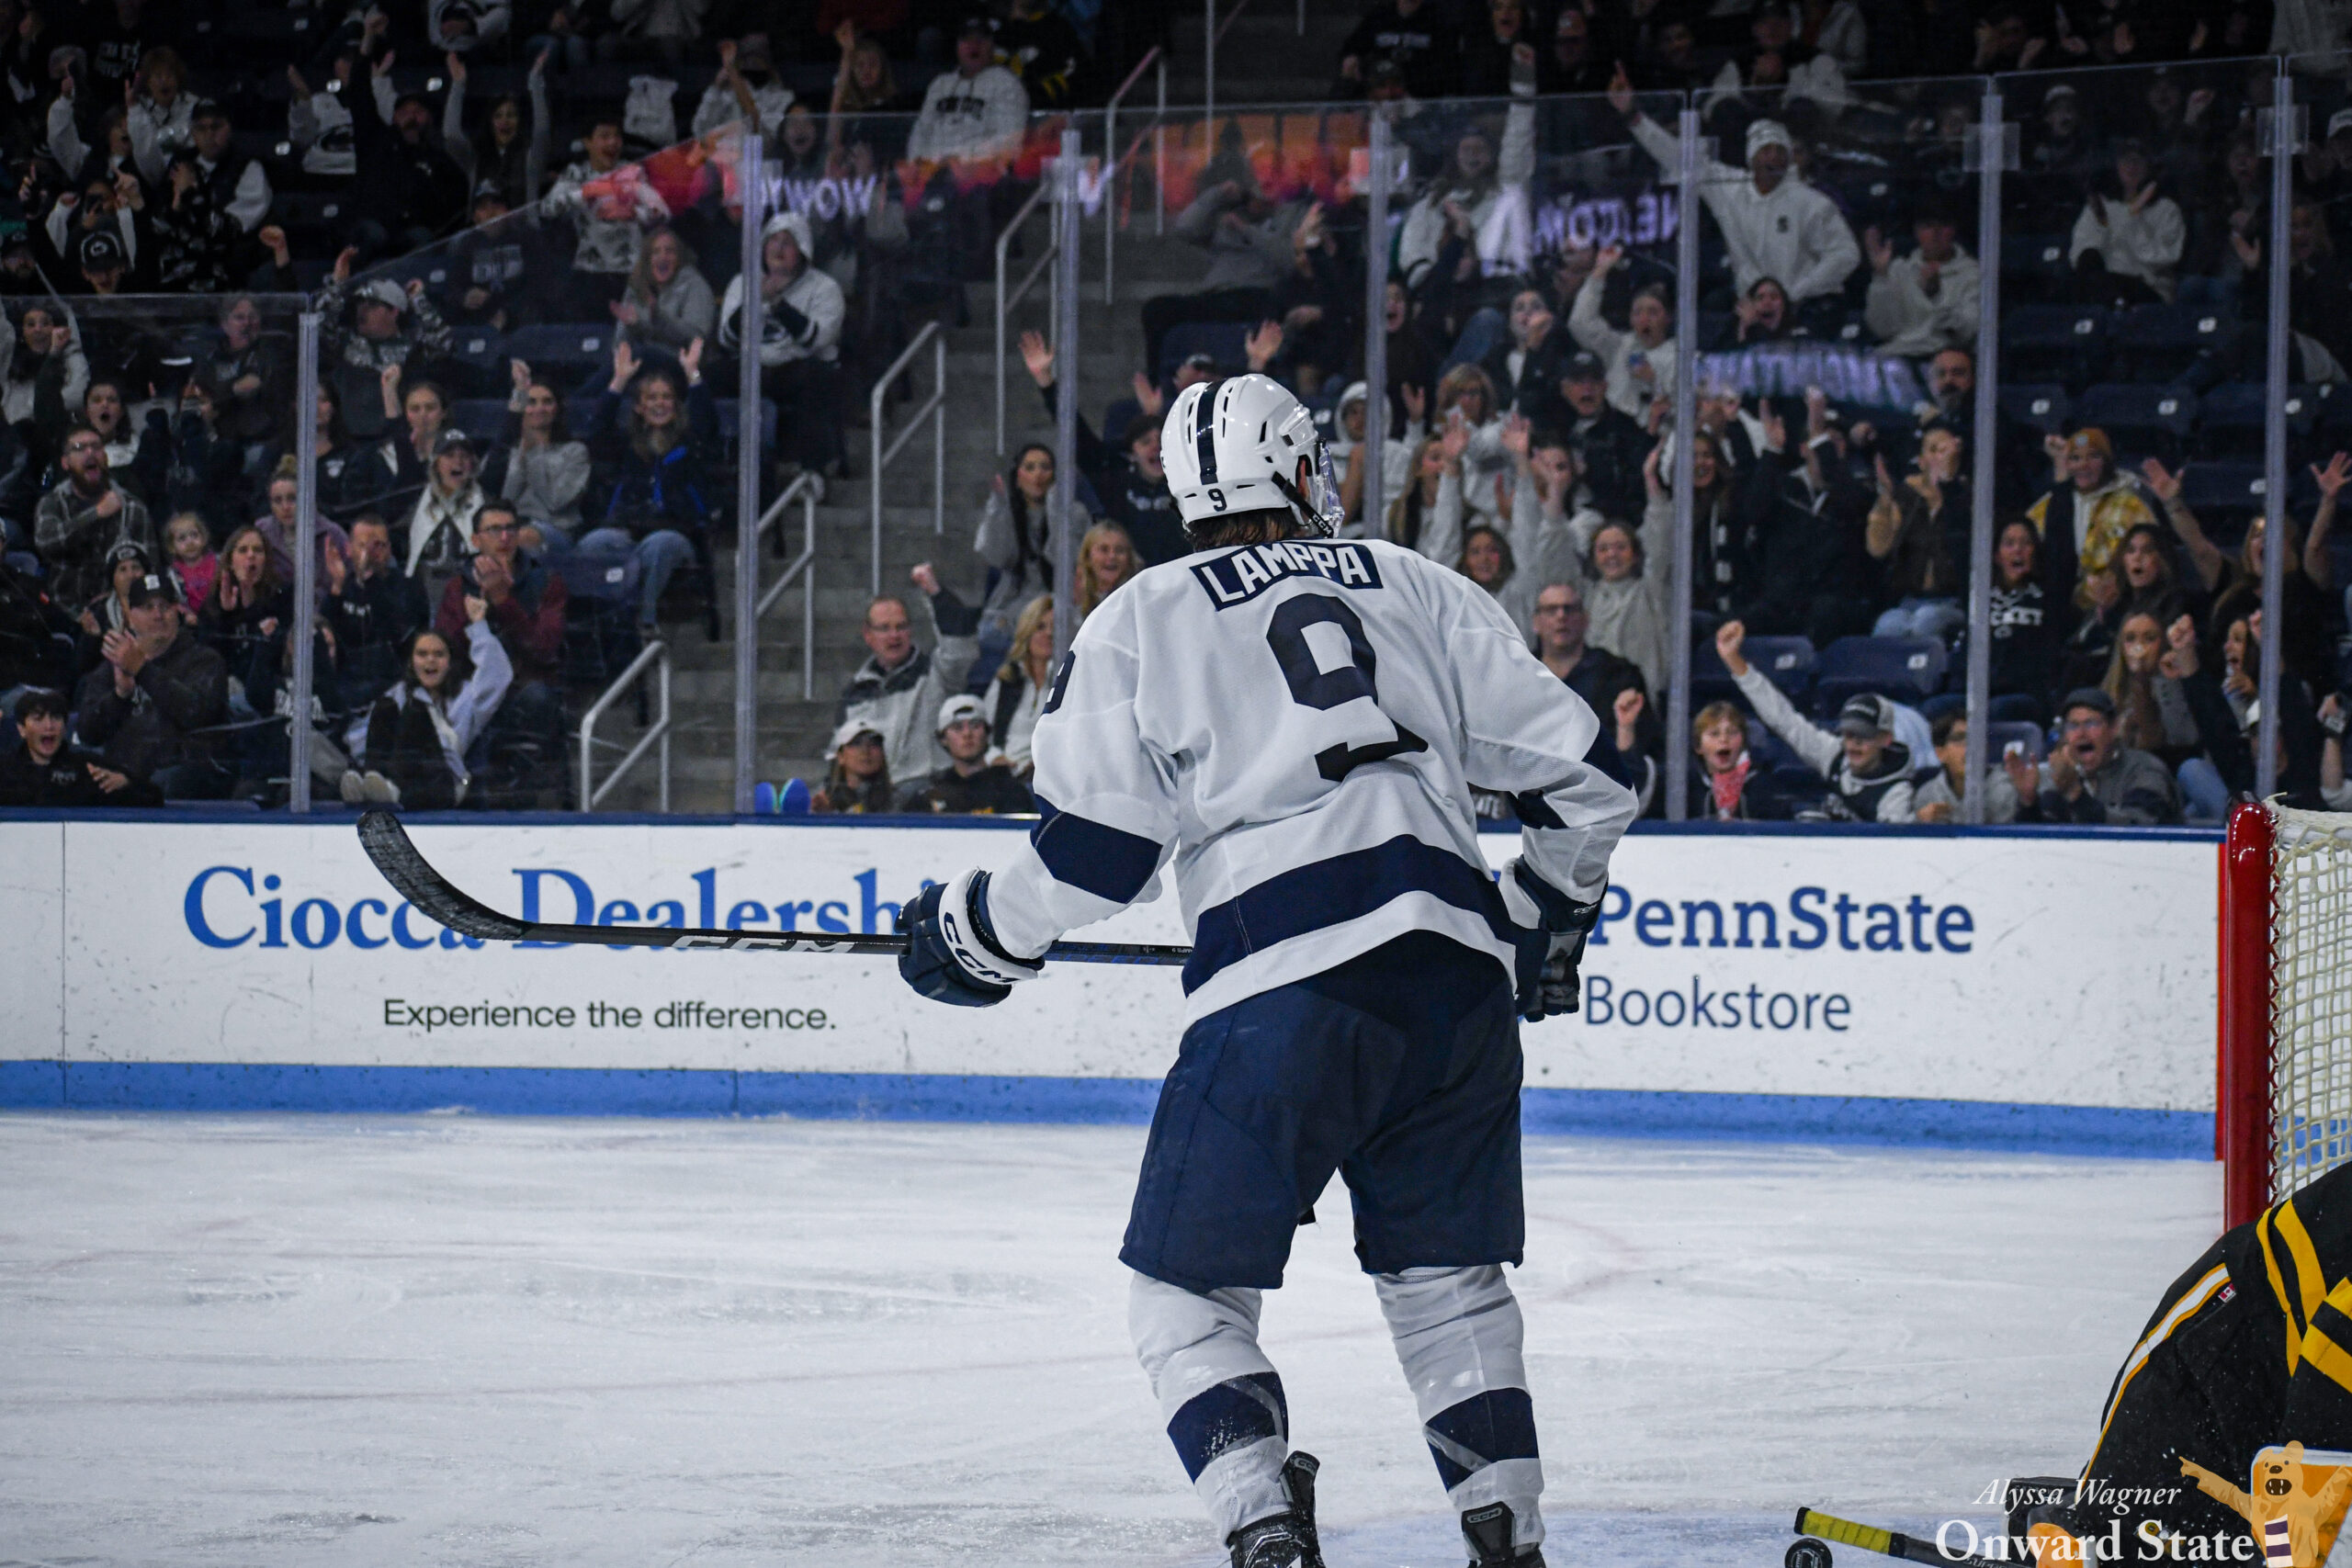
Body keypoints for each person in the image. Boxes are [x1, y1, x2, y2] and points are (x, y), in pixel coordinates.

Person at [894, 370, 1635, 1568]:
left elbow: (1099, 853)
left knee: (1183, 1297)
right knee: (1448, 1285)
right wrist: (1542, 921)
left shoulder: (1140, 614)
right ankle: (1507, 1532)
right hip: (1457, 994)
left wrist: (978, 931)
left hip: (1283, 997)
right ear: (1299, 467)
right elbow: (1590, 784)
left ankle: (1262, 1522)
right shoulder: (1416, 582)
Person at [1612, 69, 1860, 330]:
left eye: (1780, 151)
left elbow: (1846, 254)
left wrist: (1795, 292)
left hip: (1807, 309)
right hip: (1751, 312)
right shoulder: (1730, 187)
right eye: (1766, 150)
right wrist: (1633, 116)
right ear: (1751, 157)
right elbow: (1679, 159)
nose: (1774, 157)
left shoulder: (1811, 202)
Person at [1717, 619, 1917, 823]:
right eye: (1849, 734)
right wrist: (1734, 660)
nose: (1853, 743)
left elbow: (1891, 840)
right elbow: (1782, 718)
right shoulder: (1834, 755)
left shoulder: (1896, 794)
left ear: (1885, 739)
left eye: (1864, 735)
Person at [579, 340, 715, 638]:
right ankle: (604, 623)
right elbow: (596, 431)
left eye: (666, 397)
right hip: (629, 531)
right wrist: (619, 381)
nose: (659, 403)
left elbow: (707, 422)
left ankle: (644, 621)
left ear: (676, 405)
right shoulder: (627, 444)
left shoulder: (689, 442)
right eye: (651, 397)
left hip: (677, 534)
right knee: (593, 543)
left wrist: (692, 373)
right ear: (639, 407)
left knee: (658, 546)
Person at [72, 570, 229, 799]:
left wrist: (142, 670)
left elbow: (197, 714)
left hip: (178, 787)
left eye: (164, 606)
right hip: (116, 785)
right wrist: (120, 695)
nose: (158, 615)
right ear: (130, 616)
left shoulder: (205, 661)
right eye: (148, 607)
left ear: (177, 611)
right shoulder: (111, 667)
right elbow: (88, 733)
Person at [716, 210, 846, 481]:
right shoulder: (742, 283)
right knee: (708, 378)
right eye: (773, 241)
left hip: (797, 367)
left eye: (787, 242)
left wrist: (776, 304)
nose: (778, 248)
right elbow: (726, 338)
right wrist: (753, 301)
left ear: (802, 250)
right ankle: (716, 468)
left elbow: (815, 340)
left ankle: (812, 473)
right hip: (752, 367)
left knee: (815, 378)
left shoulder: (825, 288)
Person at [345, 613, 514, 809]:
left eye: (439, 654)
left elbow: (498, 675)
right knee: (385, 708)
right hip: (395, 772)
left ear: (450, 662)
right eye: (422, 654)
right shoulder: (399, 693)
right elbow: (360, 735)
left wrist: (479, 625)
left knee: (415, 712)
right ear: (412, 661)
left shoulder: (467, 694)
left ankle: (394, 791)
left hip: (444, 782)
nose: (430, 660)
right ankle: (371, 784)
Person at [837, 564, 981, 780]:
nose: (894, 636)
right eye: (884, 628)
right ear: (868, 635)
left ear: (911, 630)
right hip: (881, 793)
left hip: (933, 790)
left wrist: (935, 593)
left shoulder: (938, 673)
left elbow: (961, 649)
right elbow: (839, 753)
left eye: (901, 626)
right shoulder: (854, 692)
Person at [2003, 686, 2181, 826]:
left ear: (2114, 728)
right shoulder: (2057, 775)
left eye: (2091, 723)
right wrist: (2028, 802)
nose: (2081, 733)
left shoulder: (2144, 769)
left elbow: (2141, 829)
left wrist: (2075, 793)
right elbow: (2034, 847)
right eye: (2073, 726)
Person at [1864, 425, 1971, 642]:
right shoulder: (1906, 498)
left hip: (1954, 601)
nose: (1941, 457)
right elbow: (1877, 548)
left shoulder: (1967, 497)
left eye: (1945, 450)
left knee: (1927, 621)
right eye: (1934, 450)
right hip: (1910, 600)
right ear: (1921, 461)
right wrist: (1885, 500)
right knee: (1887, 625)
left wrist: (1949, 487)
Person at [321, 513, 429, 723]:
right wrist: (336, 588)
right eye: (363, 545)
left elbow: (398, 635)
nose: (370, 553)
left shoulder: (408, 587)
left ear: (389, 550)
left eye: (378, 545)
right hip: (345, 683)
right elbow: (325, 636)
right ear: (348, 549)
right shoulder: (342, 586)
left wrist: (370, 581)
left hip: (389, 683)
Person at [35, 421, 153, 611]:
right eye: (79, 448)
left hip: (119, 610)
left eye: (96, 447)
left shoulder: (133, 507)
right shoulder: (52, 503)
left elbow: (150, 565)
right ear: (65, 462)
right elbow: (46, 543)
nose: (90, 452)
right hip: (64, 609)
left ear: (105, 457)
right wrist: (95, 514)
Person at [1566, 247, 1676, 423]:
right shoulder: (1620, 346)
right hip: (1612, 427)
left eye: (1653, 312)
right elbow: (1580, 324)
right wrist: (1599, 272)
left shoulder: (1680, 355)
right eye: (1637, 313)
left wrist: (1654, 381)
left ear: (1668, 318)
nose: (1644, 319)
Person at [491, 365, 592, 552]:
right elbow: (505, 502)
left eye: (547, 402)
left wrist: (535, 453)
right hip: (513, 527)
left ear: (557, 408)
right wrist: (522, 455)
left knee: (522, 536)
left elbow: (555, 502)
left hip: (556, 530)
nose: (539, 408)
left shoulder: (575, 452)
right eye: (531, 402)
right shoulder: (511, 450)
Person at [1862, 203, 1982, 359]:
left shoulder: (1972, 273)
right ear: (1917, 232)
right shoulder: (1900, 269)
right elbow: (1883, 329)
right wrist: (1881, 275)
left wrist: (1936, 296)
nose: (1935, 233)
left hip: (1945, 358)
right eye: (1928, 226)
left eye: (1943, 226)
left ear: (1953, 230)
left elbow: (1966, 333)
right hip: (1899, 355)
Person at [906, 15, 1030, 166]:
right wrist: (921, 165)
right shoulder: (940, 84)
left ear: (992, 46)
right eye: (966, 39)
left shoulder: (1007, 83)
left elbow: (1009, 141)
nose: (974, 45)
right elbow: (920, 133)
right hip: (931, 172)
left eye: (981, 39)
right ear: (957, 46)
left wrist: (959, 161)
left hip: (980, 173)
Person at [895, 693, 1036, 814]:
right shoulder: (929, 794)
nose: (967, 734)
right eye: (957, 727)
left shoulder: (1011, 792)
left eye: (975, 726)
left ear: (987, 733)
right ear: (943, 738)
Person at [0, 684, 139, 806]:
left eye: (56, 717)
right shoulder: (5, 769)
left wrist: (126, 784)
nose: (49, 726)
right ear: (22, 729)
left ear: (65, 727)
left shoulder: (89, 767)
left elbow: (148, 796)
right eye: (38, 719)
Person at [982, 593, 1054, 774]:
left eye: (1055, 628)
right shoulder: (1007, 680)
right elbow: (984, 735)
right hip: (1008, 775)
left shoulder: (1068, 681)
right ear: (1027, 632)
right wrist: (995, 758)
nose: (1049, 634)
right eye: (1040, 627)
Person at [1912, 711, 2019, 824]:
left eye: (1976, 739)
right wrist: (1920, 822)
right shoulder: (1928, 795)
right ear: (1940, 753)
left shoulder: (2005, 788)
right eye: (1959, 739)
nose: (1970, 748)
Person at [811, 718, 895, 814]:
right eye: (856, 743)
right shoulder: (820, 802)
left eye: (874, 744)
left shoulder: (901, 801)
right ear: (841, 756)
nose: (865, 751)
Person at [1075, 523, 1138, 621]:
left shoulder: (1139, 601)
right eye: (1104, 550)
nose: (1112, 556)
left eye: (1119, 550)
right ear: (1088, 557)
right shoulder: (1070, 603)